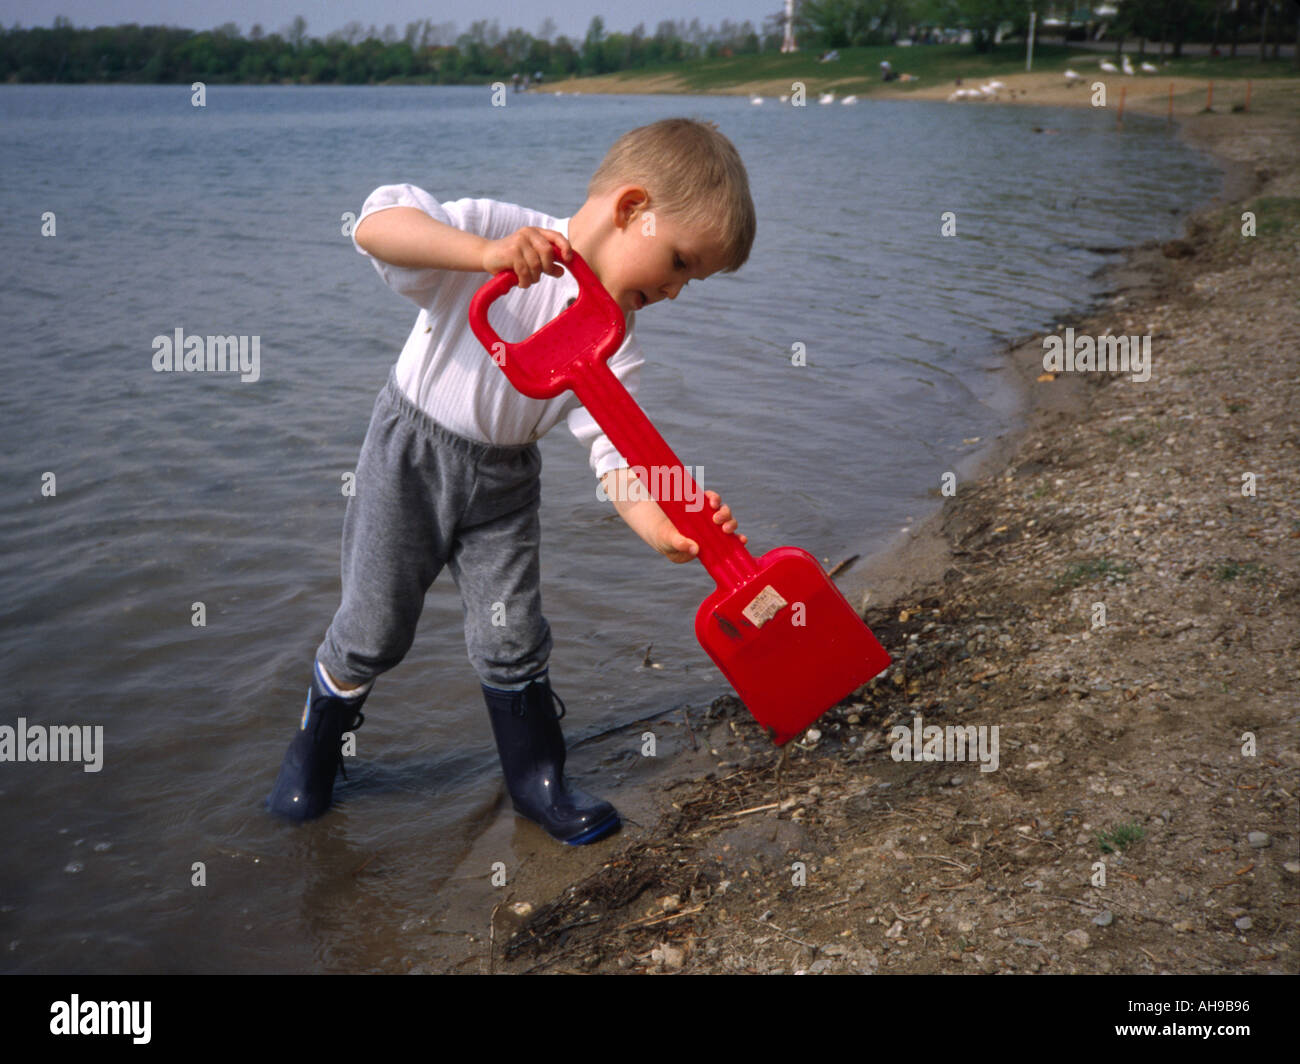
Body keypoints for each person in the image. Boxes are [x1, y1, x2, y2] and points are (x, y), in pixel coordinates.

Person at [267, 118, 755, 845]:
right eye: (680, 262)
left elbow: (618, 456)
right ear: (631, 209)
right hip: (411, 458)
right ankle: (314, 749)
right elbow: (376, 225)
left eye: (692, 280)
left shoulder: (614, 341)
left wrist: (662, 525)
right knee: (374, 628)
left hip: (504, 483)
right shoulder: (502, 234)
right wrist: (483, 253)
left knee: (514, 634)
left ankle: (537, 780)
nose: (678, 291)